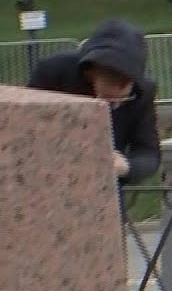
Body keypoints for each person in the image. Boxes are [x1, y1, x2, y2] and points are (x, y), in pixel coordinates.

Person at [27, 18, 161, 214]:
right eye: (105, 100)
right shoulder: (53, 72)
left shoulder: (143, 92)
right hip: (47, 189)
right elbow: (26, 127)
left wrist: (126, 167)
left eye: (119, 102)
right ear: (92, 73)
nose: (113, 106)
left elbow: (149, 152)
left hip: (104, 196)